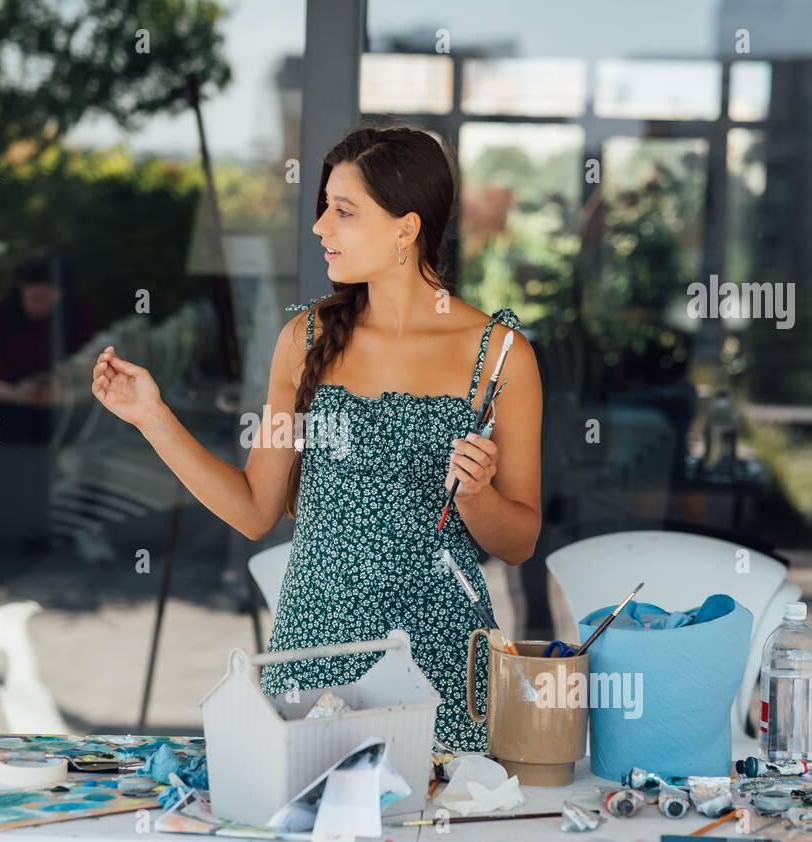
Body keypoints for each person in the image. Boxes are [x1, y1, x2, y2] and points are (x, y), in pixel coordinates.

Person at [90, 126, 542, 751]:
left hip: (437, 663)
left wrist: (476, 497)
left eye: (344, 211)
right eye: (324, 206)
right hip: (312, 651)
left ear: (406, 229)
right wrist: (151, 416)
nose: (320, 227)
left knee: (424, 839)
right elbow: (254, 510)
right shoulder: (303, 341)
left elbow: (518, 542)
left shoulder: (502, 358)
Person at [0, 252, 94, 505]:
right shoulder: (1, 313)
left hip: (62, 413)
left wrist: (59, 395)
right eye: (36, 298)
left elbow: (95, 381)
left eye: (49, 300)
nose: (42, 307)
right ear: (21, 290)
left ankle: (79, 521)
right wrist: (15, 393)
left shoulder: (78, 316)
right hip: (9, 410)